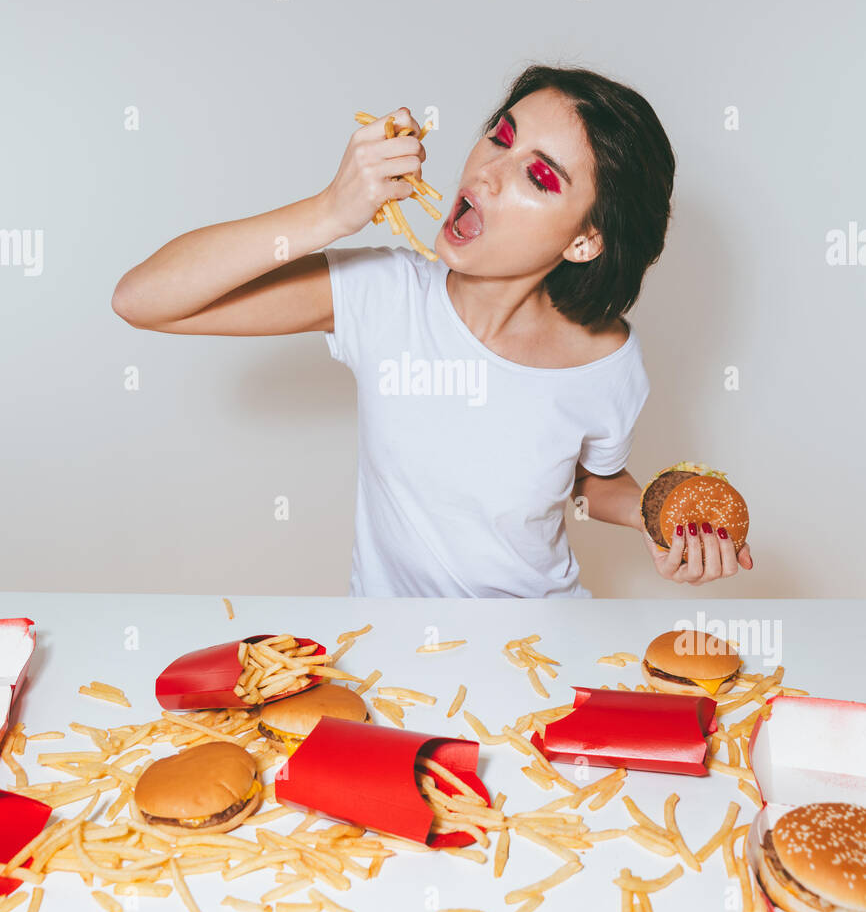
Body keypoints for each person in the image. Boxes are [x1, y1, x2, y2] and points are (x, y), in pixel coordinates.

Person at [112, 63, 754, 597]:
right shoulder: (384, 296)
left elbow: (587, 483)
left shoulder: (609, 358)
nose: (488, 172)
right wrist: (329, 211)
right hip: (391, 657)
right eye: (501, 136)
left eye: (539, 175)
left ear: (586, 241)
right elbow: (143, 299)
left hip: (546, 645)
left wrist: (654, 521)